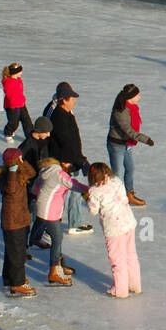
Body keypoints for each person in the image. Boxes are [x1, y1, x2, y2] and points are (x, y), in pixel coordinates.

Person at [85, 161, 142, 299]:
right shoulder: (116, 181)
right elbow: (123, 198)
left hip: (114, 228)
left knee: (117, 258)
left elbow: (93, 210)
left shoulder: (94, 191)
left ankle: (121, 290)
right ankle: (135, 285)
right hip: (128, 221)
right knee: (130, 254)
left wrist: (87, 198)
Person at [29, 158, 86, 285]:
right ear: (63, 163)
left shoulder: (46, 170)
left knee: (49, 231)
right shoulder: (60, 174)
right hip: (51, 211)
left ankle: (58, 263)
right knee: (57, 238)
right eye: (68, 163)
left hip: (42, 207)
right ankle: (54, 270)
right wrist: (91, 190)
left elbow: (36, 188)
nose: (70, 165)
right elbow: (74, 185)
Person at [0, 147, 36, 296]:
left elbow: (32, 173)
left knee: (15, 250)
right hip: (12, 221)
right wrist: (11, 171)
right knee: (17, 253)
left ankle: (9, 278)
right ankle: (18, 283)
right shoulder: (7, 178)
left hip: (20, 219)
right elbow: (10, 189)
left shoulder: (18, 174)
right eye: (20, 158)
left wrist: (22, 163)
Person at [48, 82, 92, 234]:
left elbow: (72, 141)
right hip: (65, 162)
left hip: (71, 160)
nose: (75, 100)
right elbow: (66, 142)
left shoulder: (66, 113)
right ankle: (47, 226)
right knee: (60, 193)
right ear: (64, 100)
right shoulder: (59, 117)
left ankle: (74, 222)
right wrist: (78, 161)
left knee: (72, 192)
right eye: (72, 98)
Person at [107, 84, 154, 207]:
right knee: (117, 173)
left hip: (126, 143)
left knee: (130, 168)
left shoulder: (132, 108)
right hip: (116, 144)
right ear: (130, 97)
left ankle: (129, 194)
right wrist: (146, 139)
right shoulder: (121, 110)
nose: (140, 97)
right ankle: (116, 198)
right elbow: (129, 131)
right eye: (138, 95)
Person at [1, 63, 33, 143]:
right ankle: (8, 133)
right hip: (12, 106)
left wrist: (22, 100)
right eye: (20, 71)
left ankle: (30, 136)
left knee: (27, 120)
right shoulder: (9, 82)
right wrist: (14, 105)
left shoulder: (18, 79)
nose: (22, 73)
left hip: (21, 104)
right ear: (15, 72)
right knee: (14, 123)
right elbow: (9, 95)